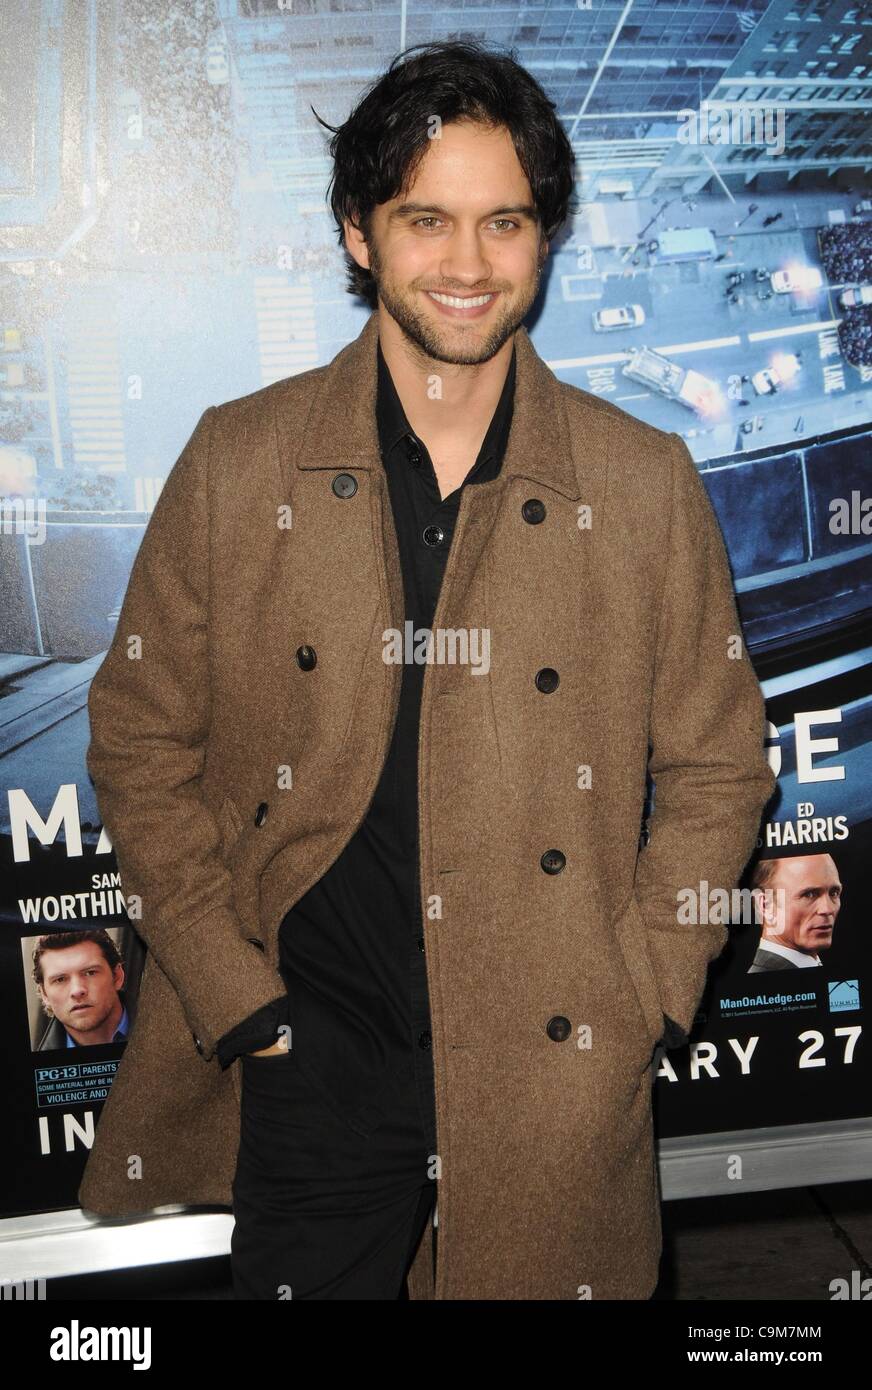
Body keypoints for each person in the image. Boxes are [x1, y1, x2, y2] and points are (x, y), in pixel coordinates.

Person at [79, 39, 776, 1300]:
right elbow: (137, 734)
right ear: (359, 234)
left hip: (556, 1056)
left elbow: (720, 763)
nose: (466, 265)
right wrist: (241, 998)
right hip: (311, 1054)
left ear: (544, 238)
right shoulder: (241, 465)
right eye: (426, 221)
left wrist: (648, 991)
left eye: (502, 222)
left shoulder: (635, 483)